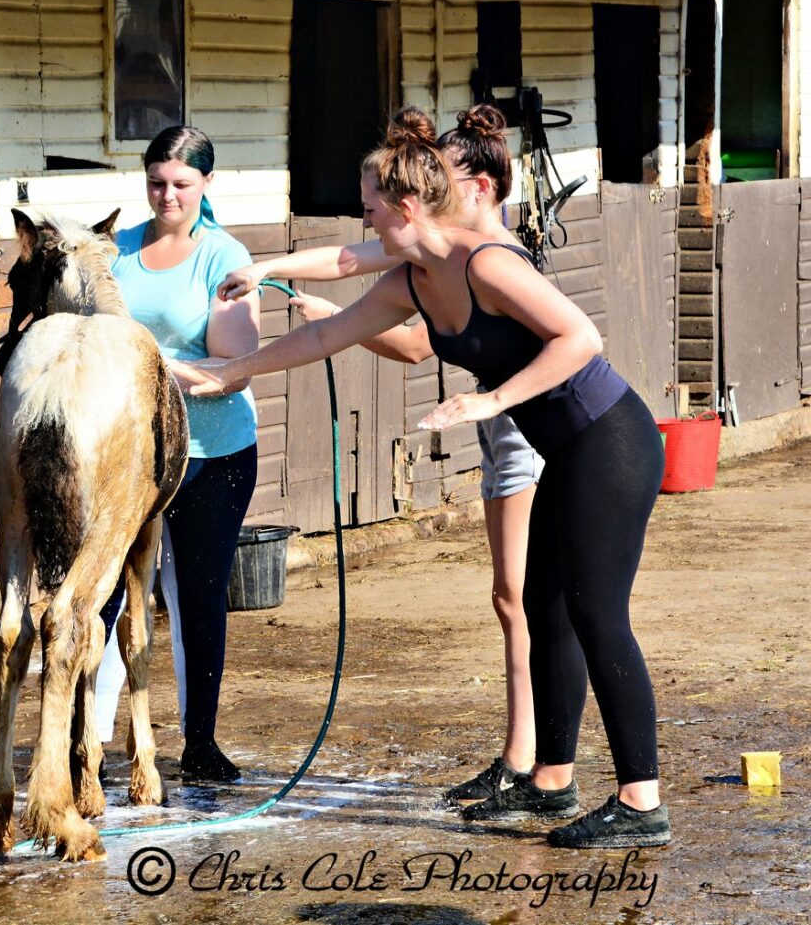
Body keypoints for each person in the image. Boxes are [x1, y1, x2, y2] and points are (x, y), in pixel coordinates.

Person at [175, 107, 670, 849]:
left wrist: (492, 398)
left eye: (371, 209)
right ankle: (552, 783)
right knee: (544, 604)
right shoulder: (414, 277)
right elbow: (326, 331)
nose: (363, 220)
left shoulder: (486, 261)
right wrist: (233, 371)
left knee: (598, 612)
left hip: (611, 440)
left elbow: (582, 336)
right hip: (567, 450)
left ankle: (641, 800)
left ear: (406, 208)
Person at [216, 105, 540, 805]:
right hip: (495, 417)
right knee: (512, 596)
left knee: (526, 597)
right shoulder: (433, 248)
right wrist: (275, 272)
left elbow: (417, 344)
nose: (436, 188)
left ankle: (534, 762)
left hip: (525, 418)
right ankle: (525, 755)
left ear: (478, 186)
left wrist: (341, 323)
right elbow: (347, 260)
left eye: (446, 175)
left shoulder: (476, 251)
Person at [92, 125, 261, 783]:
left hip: (211, 449)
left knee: (199, 592)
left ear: (206, 186)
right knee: (107, 592)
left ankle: (201, 740)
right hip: (129, 450)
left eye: (182, 185)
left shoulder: (223, 255)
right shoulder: (118, 252)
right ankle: (93, 739)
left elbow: (237, 364)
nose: (168, 195)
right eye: (157, 183)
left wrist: (152, 359)